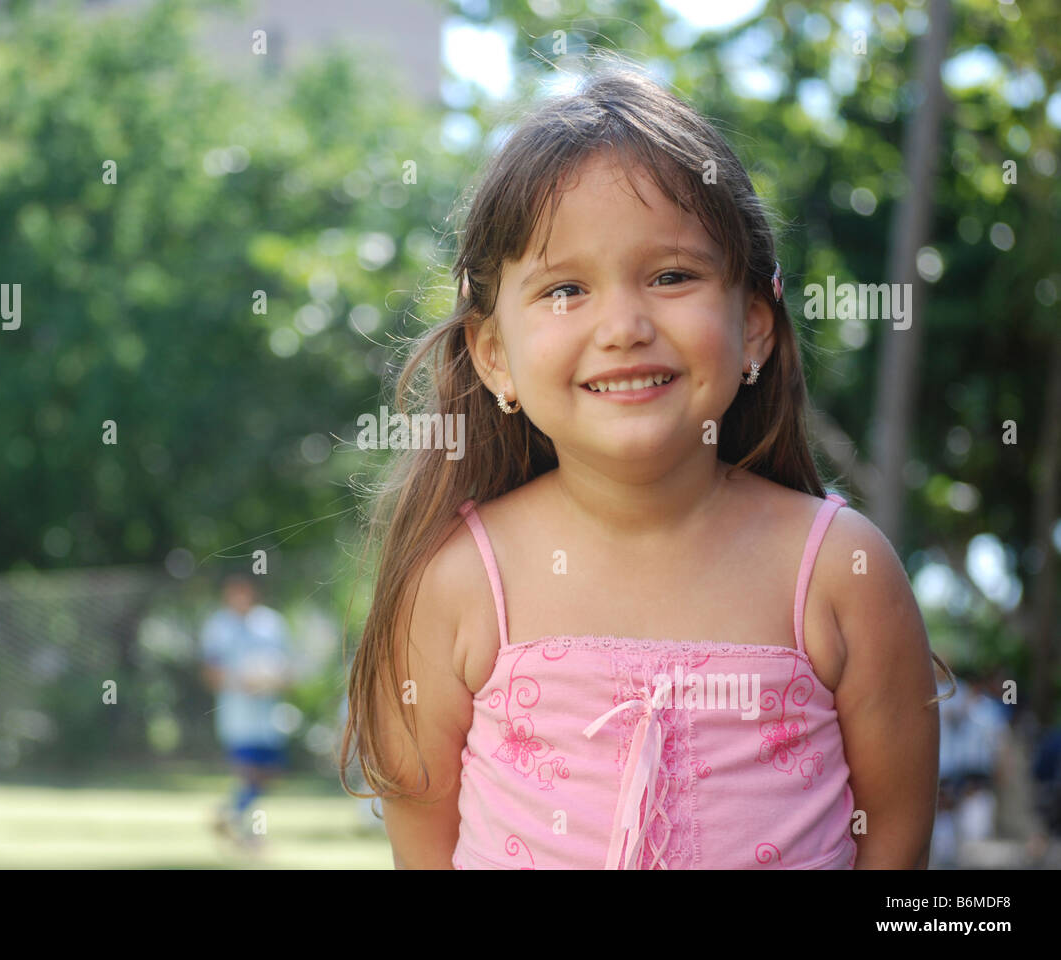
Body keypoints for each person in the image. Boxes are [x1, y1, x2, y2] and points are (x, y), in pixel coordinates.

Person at [338, 54, 954, 869]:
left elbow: (896, 848)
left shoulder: (842, 573)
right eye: (565, 290)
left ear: (756, 328)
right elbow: (426, 851)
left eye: (671, 275)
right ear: (494, 356)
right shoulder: (455, 582)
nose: (624, 325)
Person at [200, 573, 295, 848]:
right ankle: (247, 832)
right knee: (248, 771)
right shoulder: (218, 626)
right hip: (237, 715)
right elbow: (210, 672)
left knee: (271, 772)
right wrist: (241, 681)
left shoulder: (272, 624)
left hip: (268, 715)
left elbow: (287, 669)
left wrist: (272, 680)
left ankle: (230, 813)